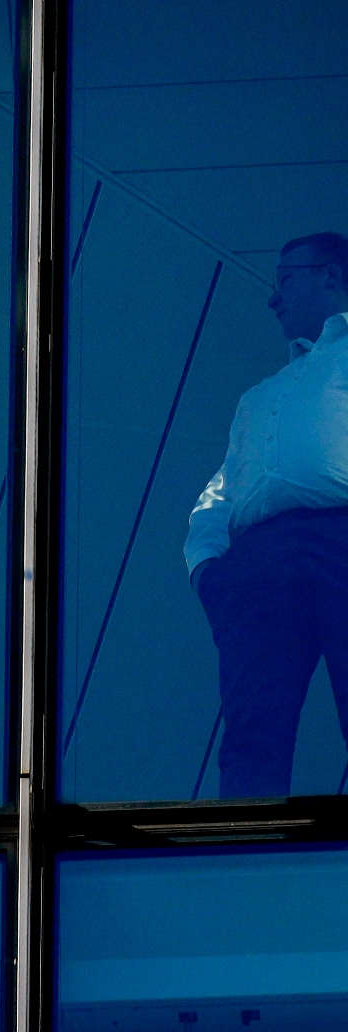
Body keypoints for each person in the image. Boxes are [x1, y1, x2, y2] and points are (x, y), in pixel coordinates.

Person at [187, 232, 348, 799]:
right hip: (257, 562)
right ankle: (245, 858)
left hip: (342, 541)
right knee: (253, 730)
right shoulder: (260, 396)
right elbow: (225, 485)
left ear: (330, 276)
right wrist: (207, 567)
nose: (272, 299)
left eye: (283, 280)